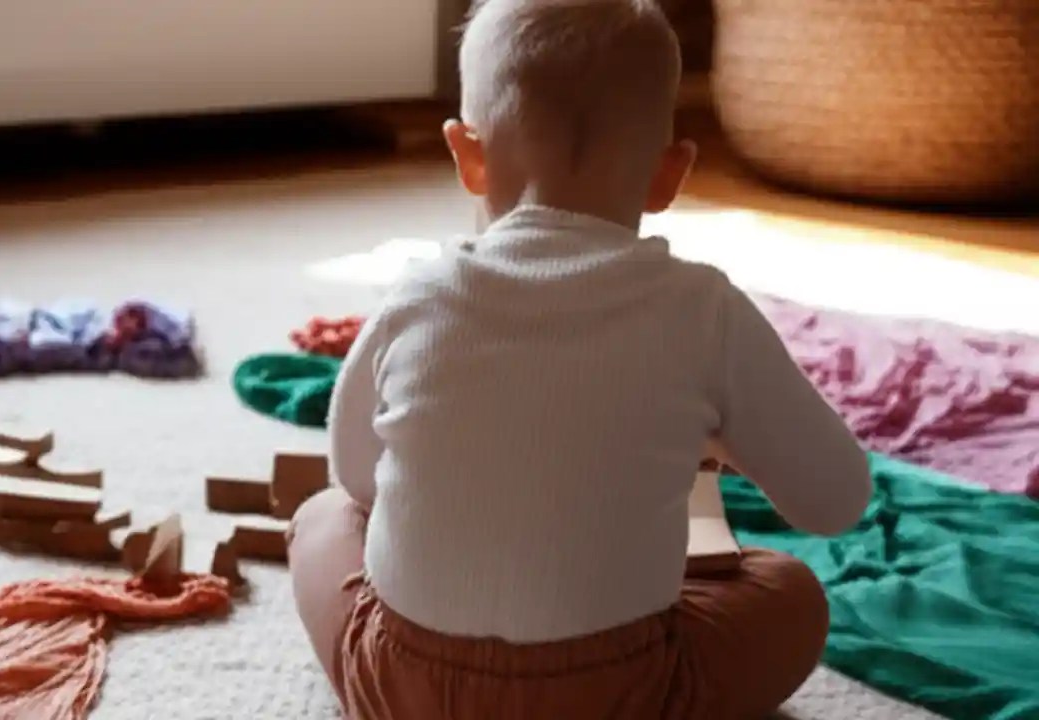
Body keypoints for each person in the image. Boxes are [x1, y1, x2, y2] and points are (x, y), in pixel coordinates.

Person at [287, 0, 872, 717]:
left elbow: (355, 480)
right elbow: (838, 500)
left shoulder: (416, 295)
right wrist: (724, 439)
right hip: (620, 694)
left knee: (320, 520)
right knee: (791, 594)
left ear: (467, 155)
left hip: (408, 688)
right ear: (671, 173)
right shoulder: (703, 307)